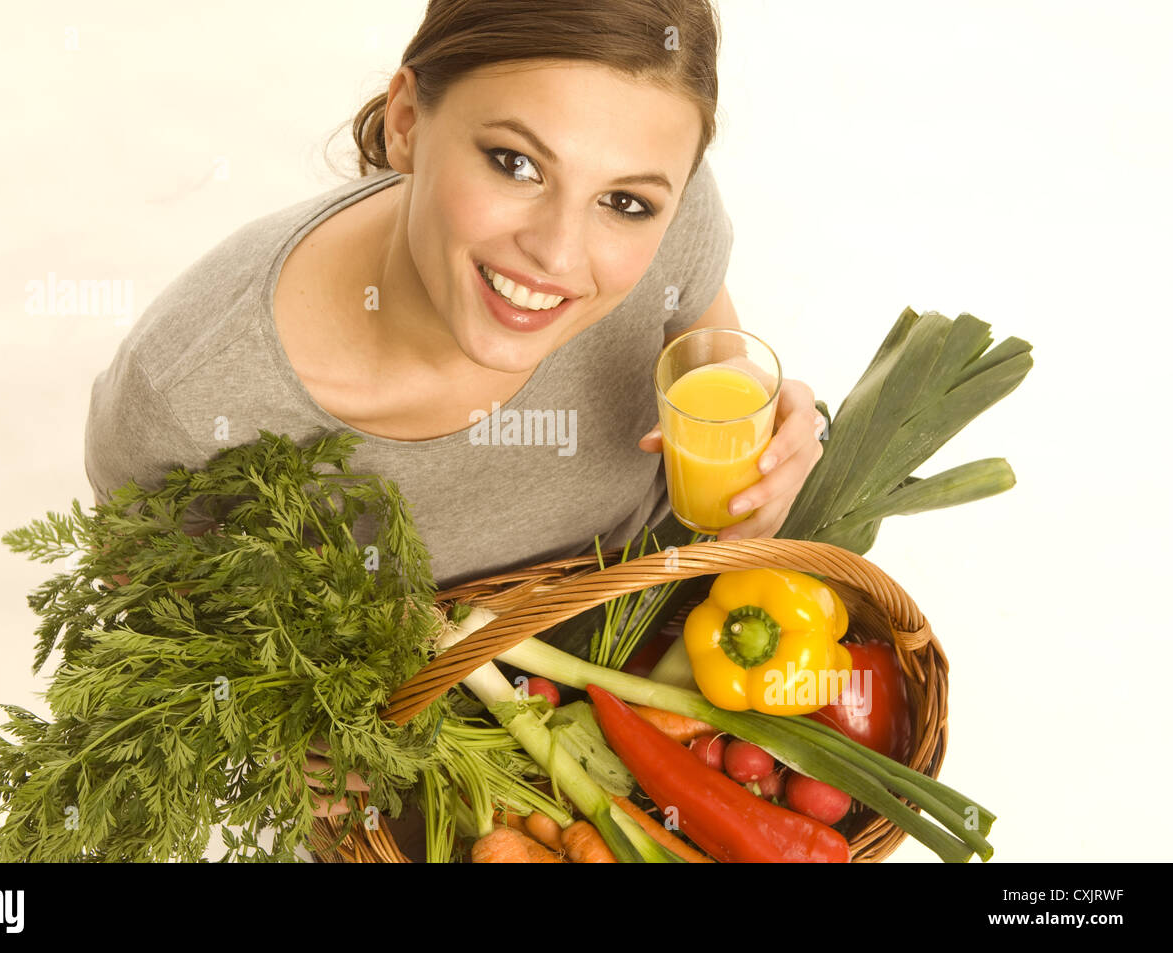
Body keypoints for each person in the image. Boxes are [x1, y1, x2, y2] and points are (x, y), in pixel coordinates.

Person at [84, 0, 825, 860]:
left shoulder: (671, 207)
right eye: (515, 163)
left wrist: (764, 462)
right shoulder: (190, 393)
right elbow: (152, 614)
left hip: (670, 662)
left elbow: (712, 370)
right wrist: (267, 716)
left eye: (622, 201)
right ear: (406, 122)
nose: (555, 252)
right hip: (412, 761)